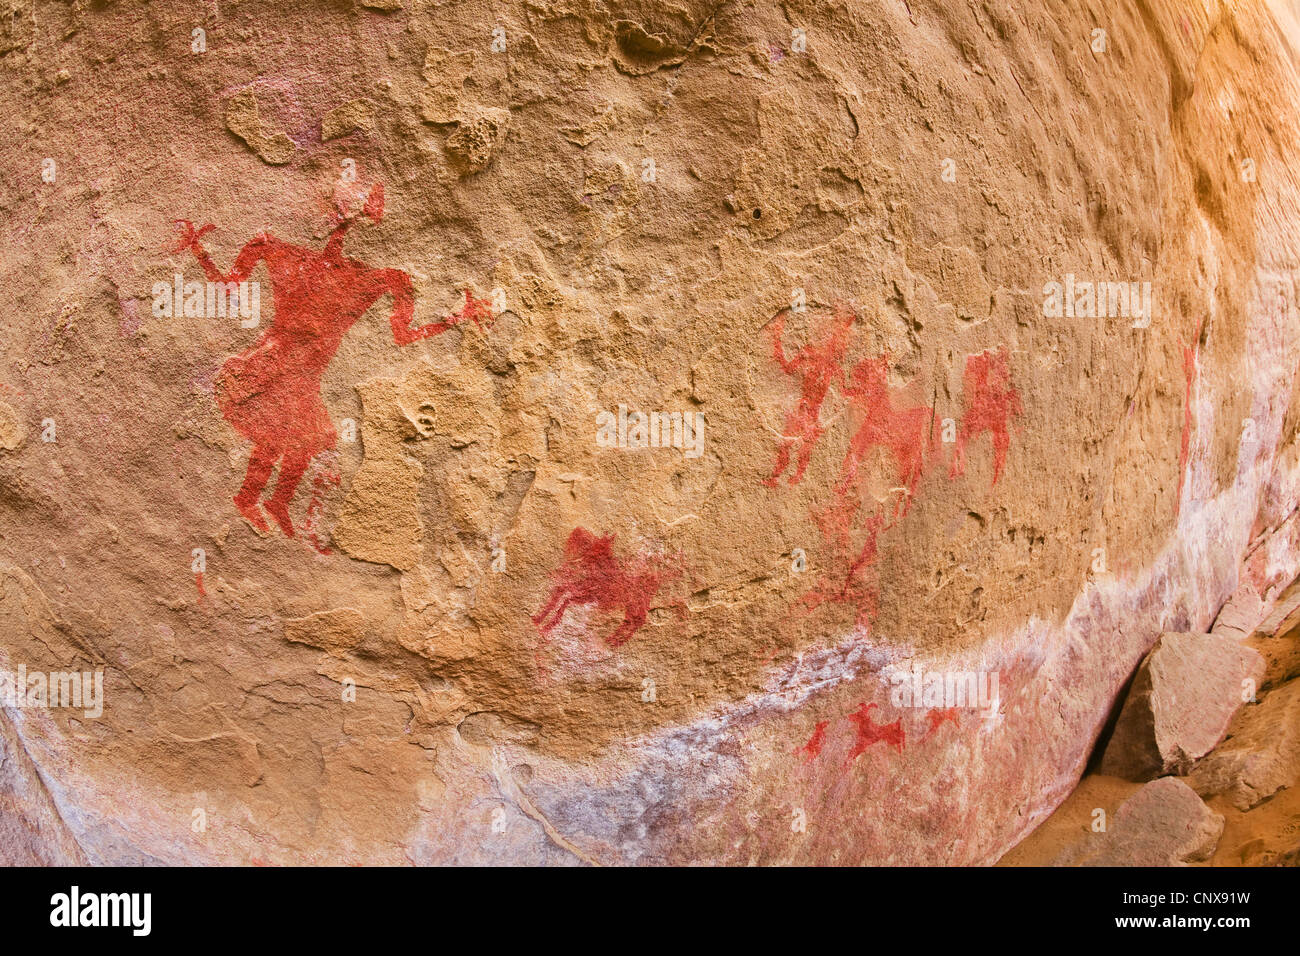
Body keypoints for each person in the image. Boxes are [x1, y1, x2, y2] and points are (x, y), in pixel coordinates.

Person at [174, 180, 492, 536]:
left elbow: (402, 335)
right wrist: (198, 249)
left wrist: (456, 319)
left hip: (301, 375)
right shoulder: (316, 262)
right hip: (274, 367)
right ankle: (251, 499)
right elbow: (405, 335)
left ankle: (274, 501)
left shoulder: (377, 277)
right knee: (282, 435)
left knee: (303, 438)